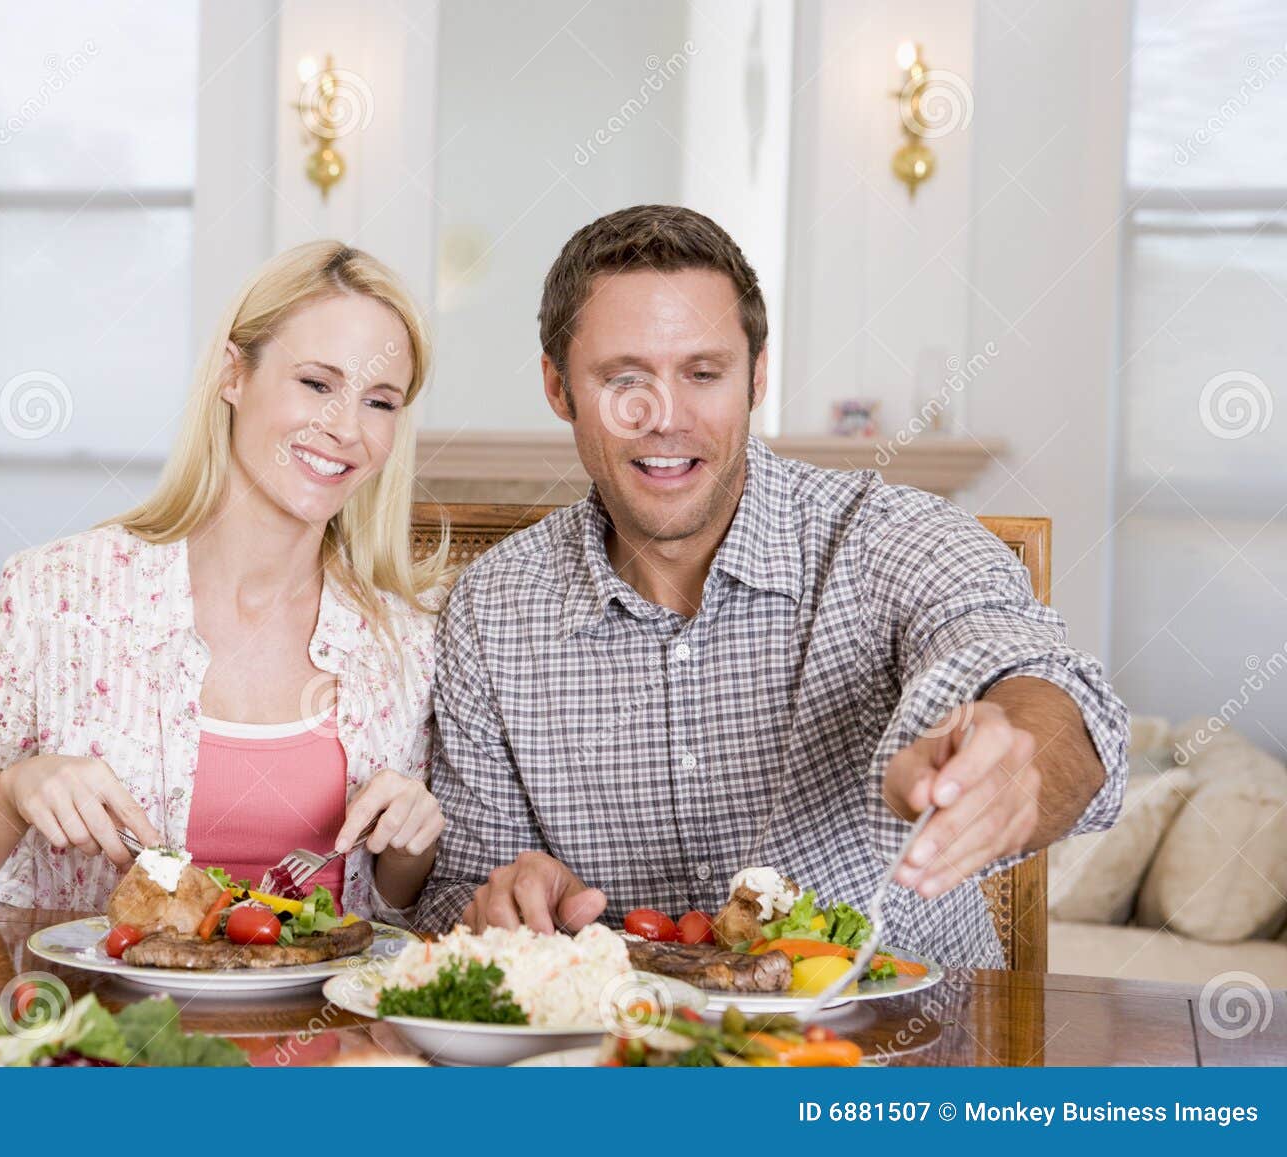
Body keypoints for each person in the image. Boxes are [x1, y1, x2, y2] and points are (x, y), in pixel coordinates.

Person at [415, 204, 1128, 966]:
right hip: (624, 1039)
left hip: (910, 1036)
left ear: (756, 376)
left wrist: (1018, 757)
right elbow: (454, 893)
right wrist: (504, 902)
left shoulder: (888, 536)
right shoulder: (490, 609)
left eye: (703, 373)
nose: (665, 417)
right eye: (624, 379)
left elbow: (1039, 679)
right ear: (559, 388)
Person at [0, 241, 449, 921]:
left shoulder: (406, 640)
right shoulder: (55, 594)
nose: (346, 427)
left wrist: (407, 855)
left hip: (328, 995)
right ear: (233, 375)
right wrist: (14, 790)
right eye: (316, 384)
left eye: (379, 402)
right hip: (93, 992)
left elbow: (401, 919)